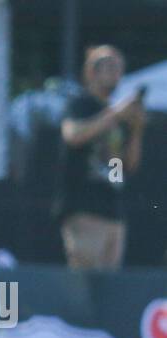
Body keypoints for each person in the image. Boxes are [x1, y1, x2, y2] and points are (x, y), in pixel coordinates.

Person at [55, 46, 145, 270]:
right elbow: (73, 135)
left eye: (119, 68)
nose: (116, 73)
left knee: (108, 289)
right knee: (85, 285)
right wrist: (115, 114)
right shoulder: (80, 103)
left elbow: (126, 166)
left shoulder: (119, 112)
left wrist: (136, 130)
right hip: (84, 209)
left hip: (113, 211)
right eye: (110, 66)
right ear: (92, 72)